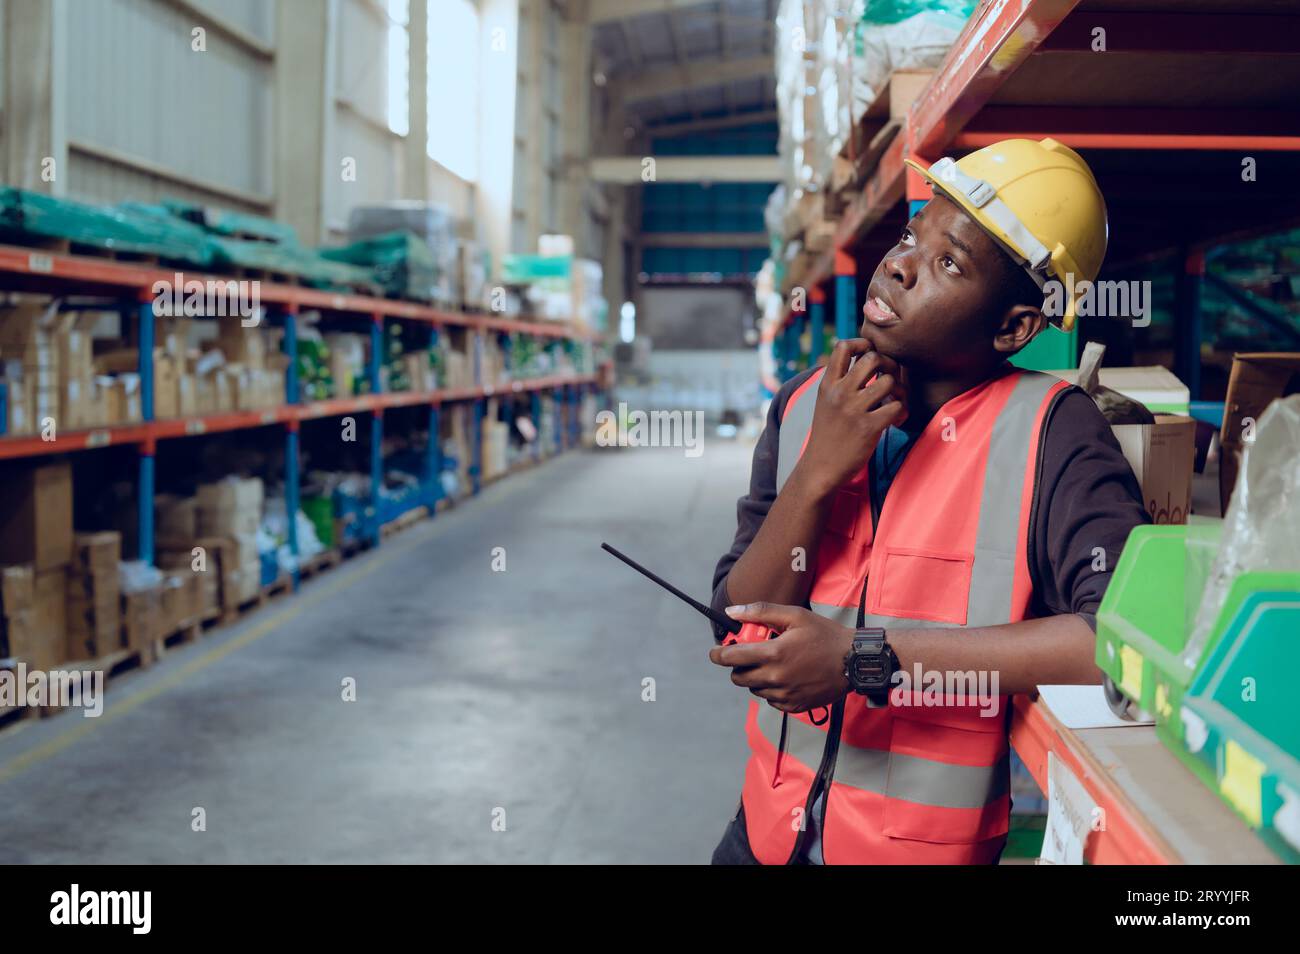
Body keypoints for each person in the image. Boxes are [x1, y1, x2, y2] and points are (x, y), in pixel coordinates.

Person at [707, 139, 1150, 865]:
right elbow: (737, 615)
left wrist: (861, 660)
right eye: (913, 236)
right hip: (767, 830)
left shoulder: (1052, 430)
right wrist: (819, 471)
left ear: (1012, 327)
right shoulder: (803, 405)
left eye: (950, 262)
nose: (900, 263)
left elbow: (1120, 643)